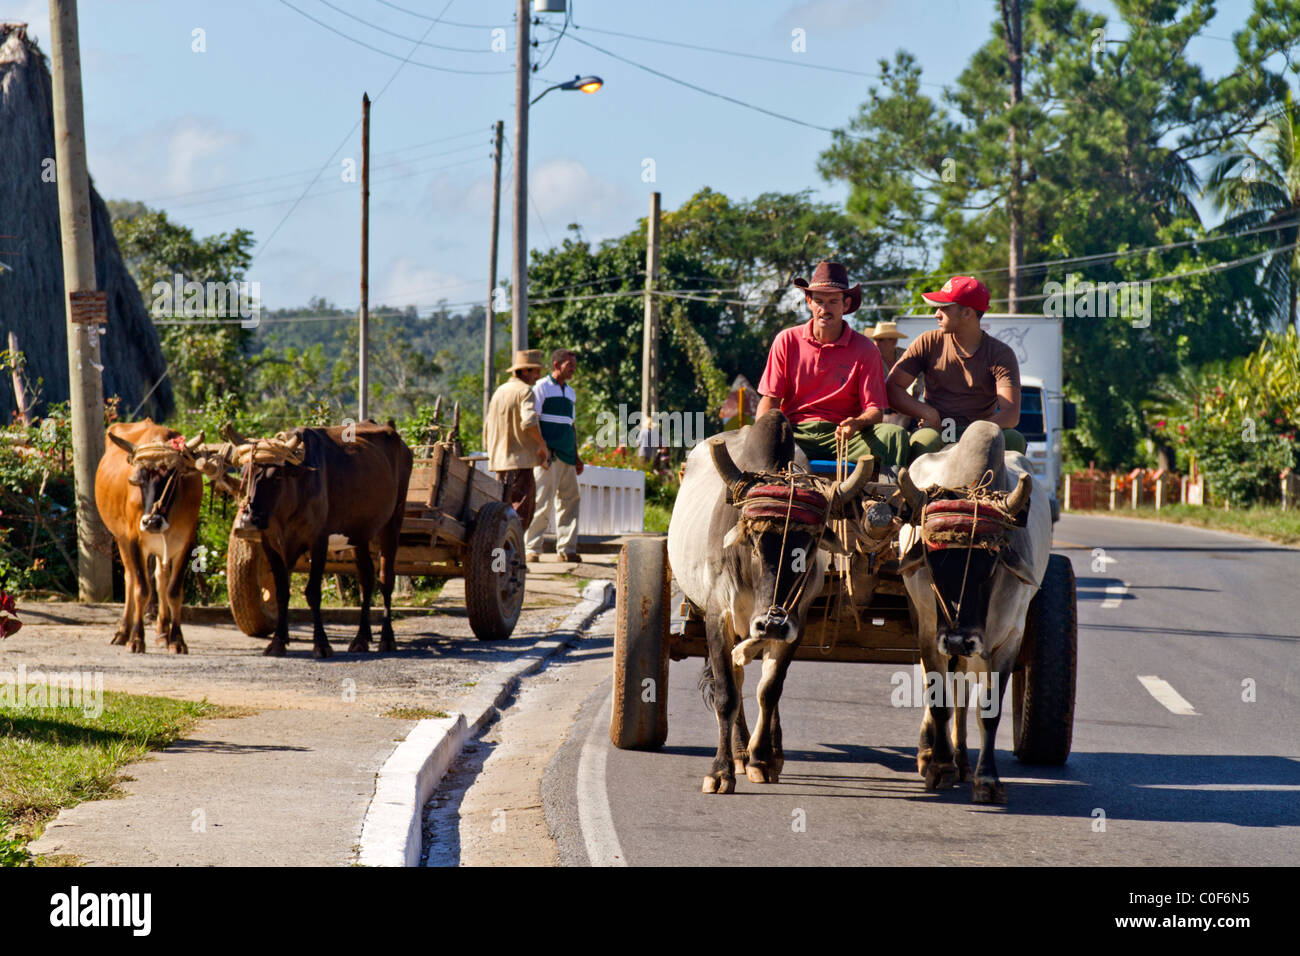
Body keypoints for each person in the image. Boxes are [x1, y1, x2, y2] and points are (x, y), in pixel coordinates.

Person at [755, 261, 909, 470]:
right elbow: (770, 400)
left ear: (846, 305)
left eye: (833, 301)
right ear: (809, 302)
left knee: (894, 435)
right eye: (819, 301)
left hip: (845, 437)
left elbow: (874, 410)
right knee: (753, 439)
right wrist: (762, 434)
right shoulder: (787, 340)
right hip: (794, 434)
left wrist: (855, 424)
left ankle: (889, 499)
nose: (825, 309)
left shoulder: (866, 349)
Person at [885, 275, 1026, 463]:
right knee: (923, 442)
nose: (936, 314)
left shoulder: (1001, 354)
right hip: (938, 430)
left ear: (967, 313)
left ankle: (1011, 493)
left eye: (944, 308)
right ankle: (914, 493)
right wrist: (927, 413)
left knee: (1014, 440)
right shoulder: (928, 342)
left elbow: (1010, 414)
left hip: (982, 430)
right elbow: (892, 388)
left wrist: (975, 433)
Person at [526, 348, 583, 563]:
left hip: (568, 456)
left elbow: (571, 426)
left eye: (574, 365)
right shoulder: (541, 388)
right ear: (557, 365)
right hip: (548, 457)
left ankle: (567, 549)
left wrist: (577, 457)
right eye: (570, 365)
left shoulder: (570, 393)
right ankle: (532, 549)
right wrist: (542, 450)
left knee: (570, 502)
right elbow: (535, 421)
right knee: (542, 501)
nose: (573, 369)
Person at [483, 349, 549, 530]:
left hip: (499, 463)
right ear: (525, 371)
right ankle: (513, 554)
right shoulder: (525, 391)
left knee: (501, 511)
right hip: (520, 462)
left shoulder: (499, 391)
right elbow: (529, 422)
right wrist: (542, 444)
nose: (538, 376)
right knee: (521, 514)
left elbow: (487, 426)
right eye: (536, 371)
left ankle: (501, 554)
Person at [869, 320, 912, 428]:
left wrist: (913, 399)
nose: (876, 343)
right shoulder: (870, 358)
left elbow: (920, 376)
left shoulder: (906, 356)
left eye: (881, 340)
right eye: (876, 340)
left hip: (905, 404)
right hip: (880, 406)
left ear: (894, 341)